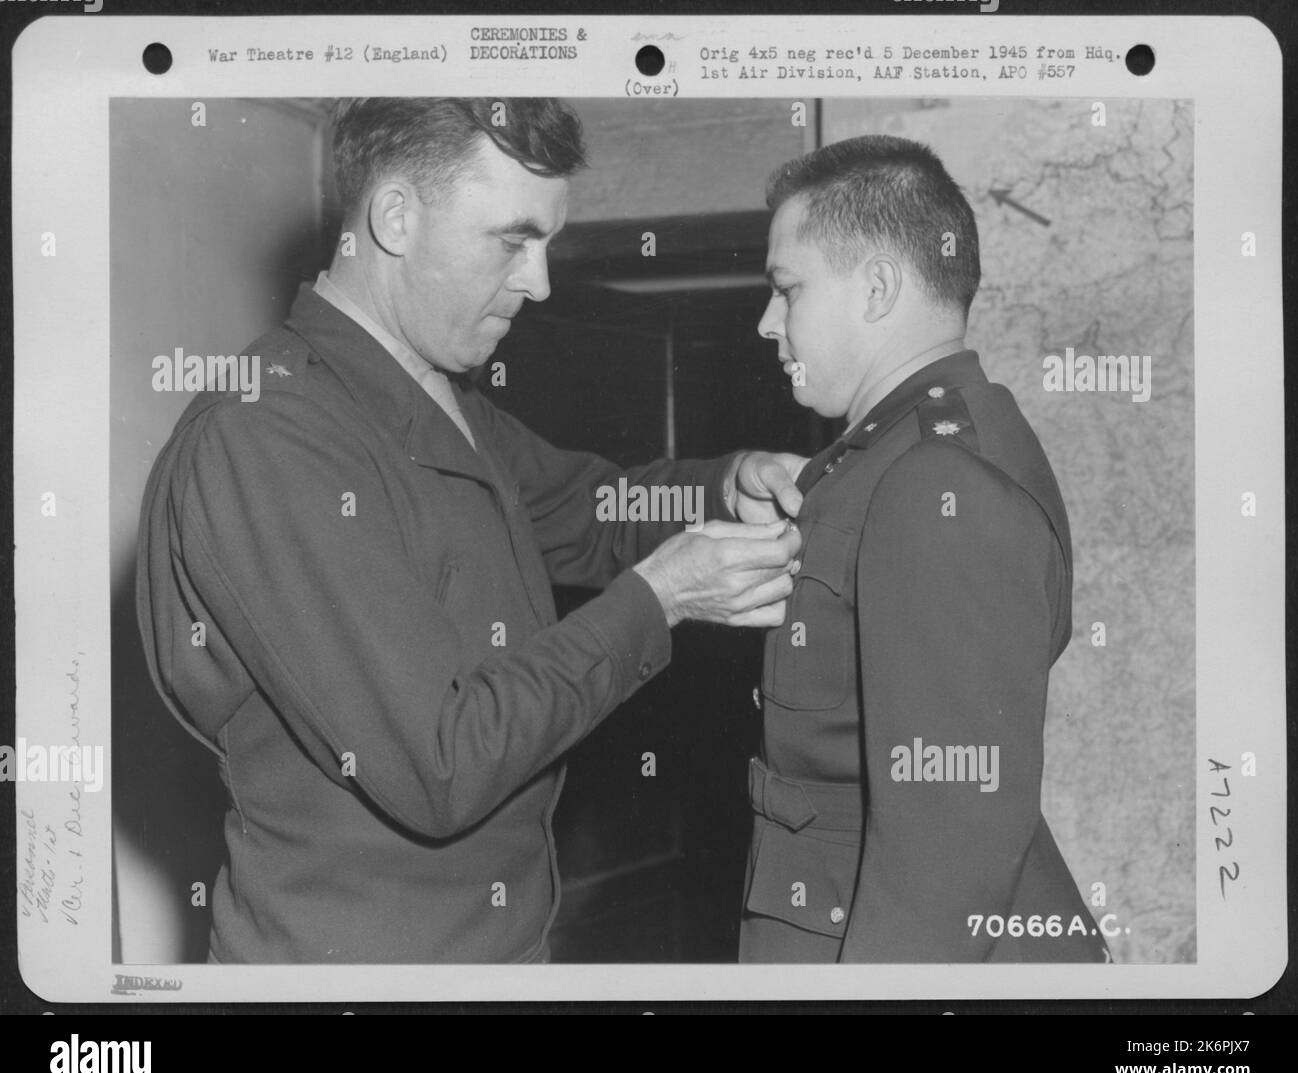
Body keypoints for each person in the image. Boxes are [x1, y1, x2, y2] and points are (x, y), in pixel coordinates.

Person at [136, 97, 806, 964]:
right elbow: (440, 766)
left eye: (547, 243)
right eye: (513, 239)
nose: (541, 281)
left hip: (496, 948)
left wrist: (724, 484)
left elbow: (593, 510)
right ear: (396, 218)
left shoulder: (434, 400)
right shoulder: (269, 435)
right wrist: (662, 599)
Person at [740, 135, 1109, 963]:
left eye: (785, 290)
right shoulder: (902, 453)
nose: (768, 324)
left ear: (875, 287)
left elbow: (945, 852)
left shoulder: (935, 479)